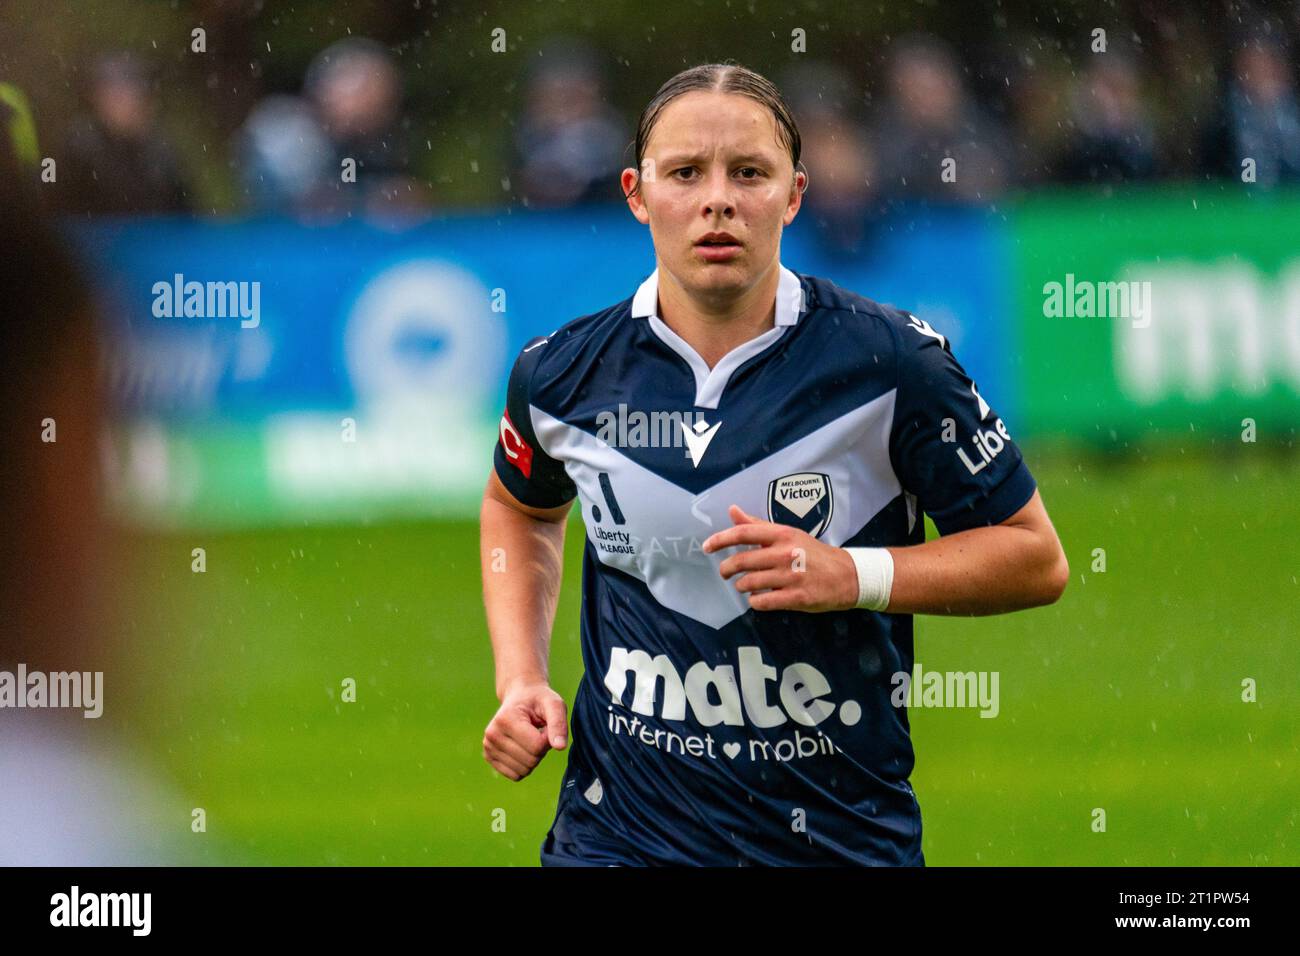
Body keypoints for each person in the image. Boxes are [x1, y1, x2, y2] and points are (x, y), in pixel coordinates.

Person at [479, 62, 1068, 866]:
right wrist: (520, 678)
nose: (717, 199)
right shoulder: (560, 375)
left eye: (748, 173)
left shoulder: (890, 363)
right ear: (637, 193)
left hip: (836, 843)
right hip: (615, 841)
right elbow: (520, 507)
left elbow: (1034, 557)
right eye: (685, 173)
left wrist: (853, 574)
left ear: (793, 194)